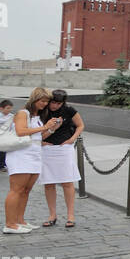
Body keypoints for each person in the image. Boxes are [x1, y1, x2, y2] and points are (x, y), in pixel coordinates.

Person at [3, 88, 61, 235]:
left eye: (46, 101)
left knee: (25, 190)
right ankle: (10, 224)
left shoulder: (36, 116)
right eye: (42, 101)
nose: (45, 104)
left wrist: (52, 129)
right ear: (34, 100)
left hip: (34, 154)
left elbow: (39, 136)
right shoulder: (23, 113)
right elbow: (20, 131)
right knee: (16, 190)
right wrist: (45, 126)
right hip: (21, 155)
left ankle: (20, 220)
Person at [40, 89, 84, 227]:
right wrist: (40, 142)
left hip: (64, 147)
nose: (55, 106)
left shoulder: (69, 110)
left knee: (67, 182)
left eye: (58, 103)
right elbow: (36, 130)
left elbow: (80, 125)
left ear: (63, 103)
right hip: (47, 148)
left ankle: (71, 215)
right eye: (53, 102)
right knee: (48, 183)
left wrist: (72, 139)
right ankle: (52, 215)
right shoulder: (44, 110)